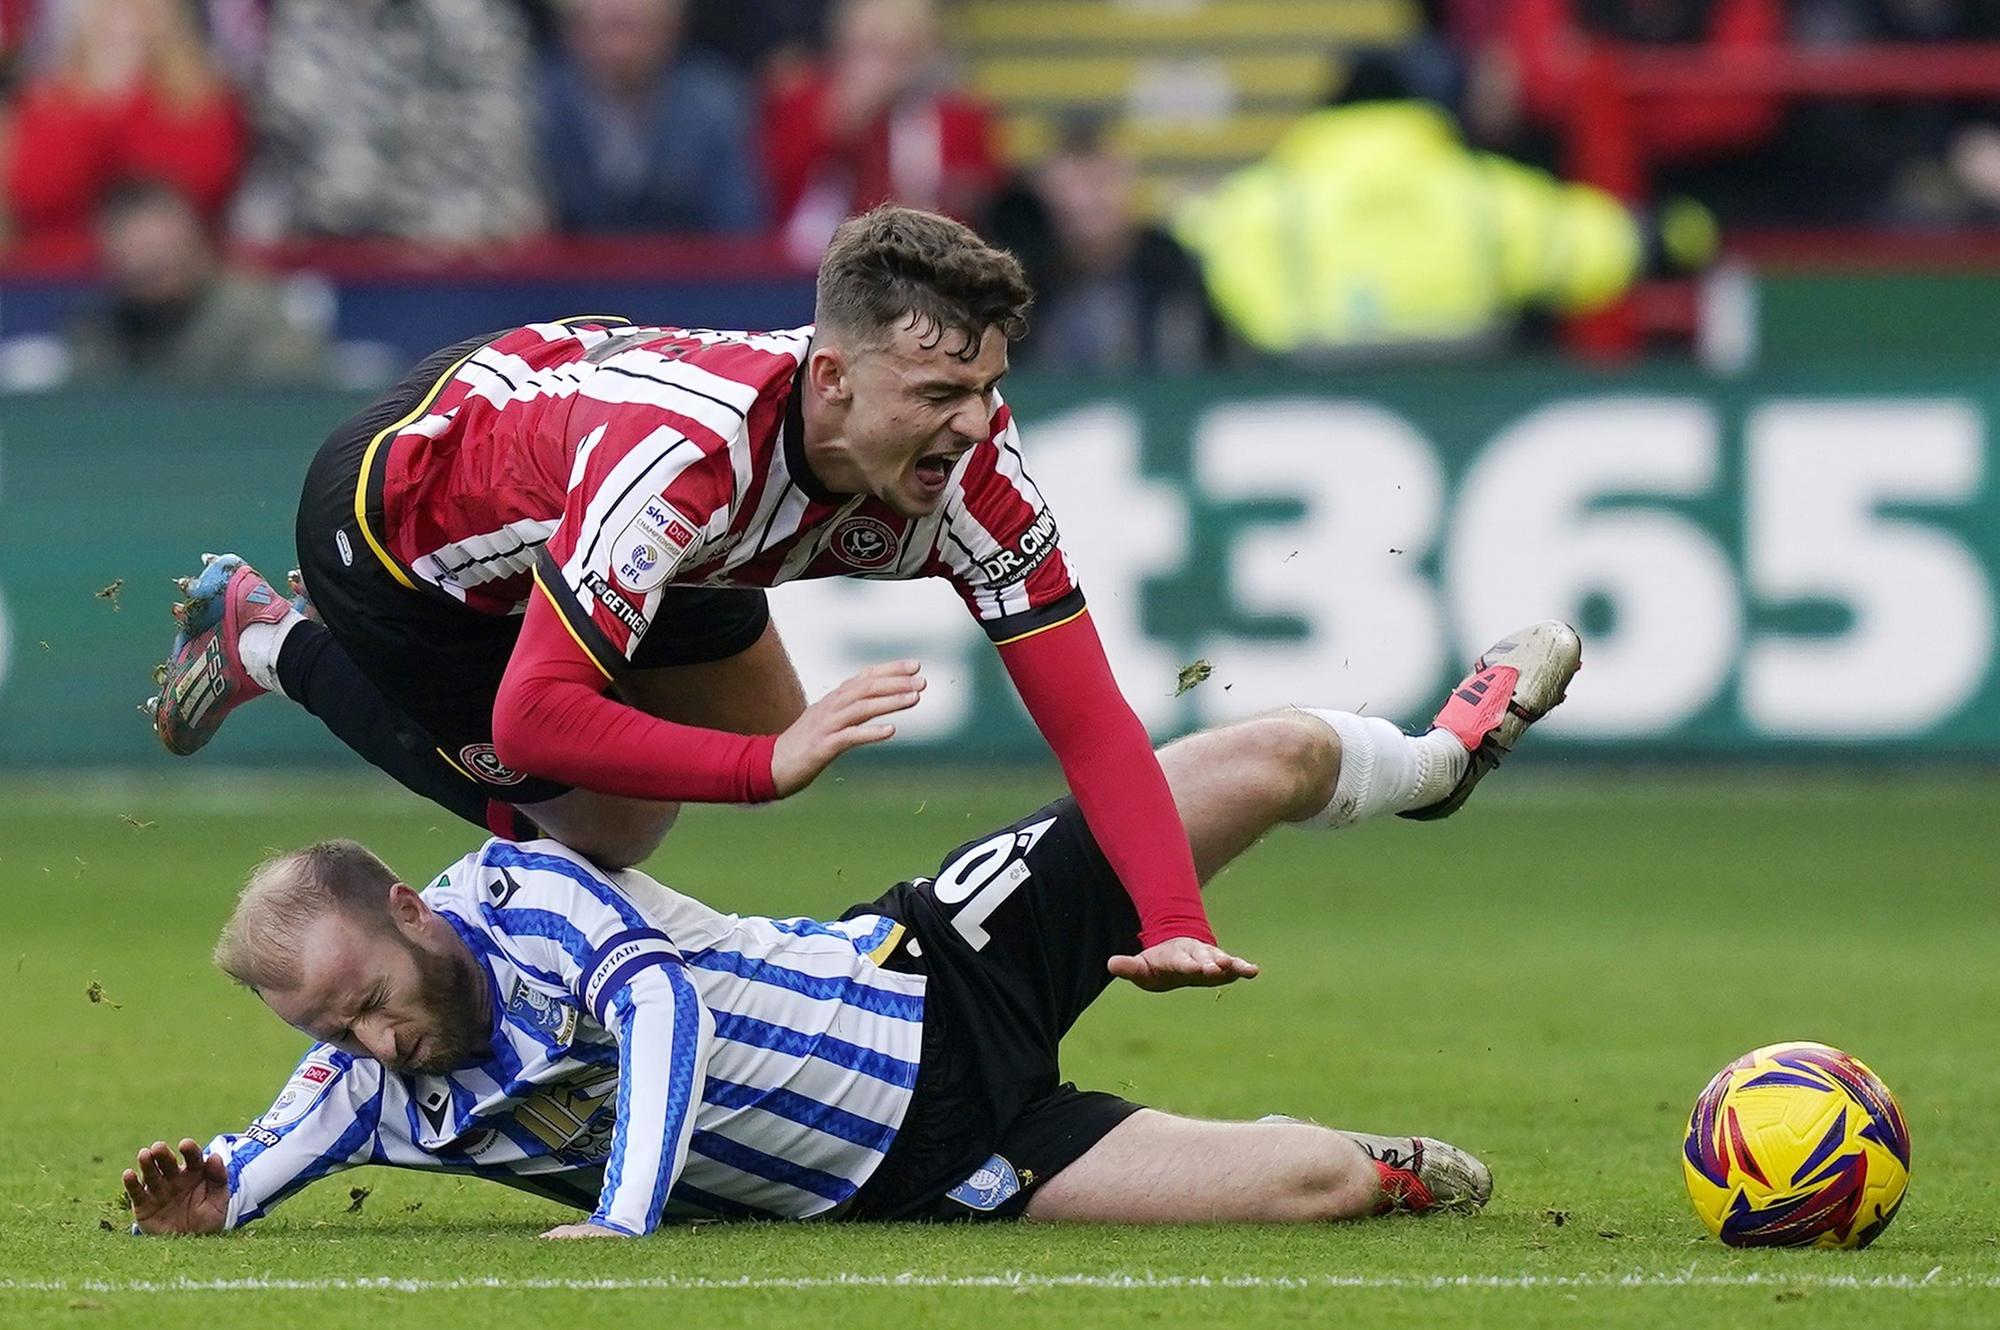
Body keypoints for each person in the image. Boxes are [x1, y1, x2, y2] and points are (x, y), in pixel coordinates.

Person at [148, 205, 1383, 992]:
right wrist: (768, 767)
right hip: (410, 538)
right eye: (936, 394)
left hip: (616, 494)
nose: (972, 426)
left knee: (728, 727)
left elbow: (1091, 718)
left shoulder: (974, 473)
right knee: (603, 833)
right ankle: (274, 637)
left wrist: (1168, 914)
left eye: (987, 386)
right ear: (835, 379)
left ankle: (291, 638)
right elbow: (533, 719)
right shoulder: (685, 463)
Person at [117, 621, 1580, 1237]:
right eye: (332, 1030)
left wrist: (623, 1221)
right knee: (1318, 1184)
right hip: (947, 1159)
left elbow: (666, 1018)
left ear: (412, 911)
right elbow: (263, 1154)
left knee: (1265, 761)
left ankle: (1441, 760)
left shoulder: (535, 900)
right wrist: (212, 1195)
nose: (372, 1039)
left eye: (365, 998)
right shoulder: (375, 1073)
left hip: (927, 967)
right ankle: (1385, 1163)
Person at [236, 0, 544, 243]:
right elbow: (276, 138)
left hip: (437, 247)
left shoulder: (469, 15)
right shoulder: (299, 14)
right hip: (312, 243)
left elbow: (496, 146)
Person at [760, 0, 1001, 261]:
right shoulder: (804, 102)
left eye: (899, 55)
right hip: (817, 266)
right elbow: (779, 192)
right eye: (870, 52)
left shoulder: (962, 114)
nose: (884, 71)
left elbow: (984, 200)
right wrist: (840, 126)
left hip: (933, 269)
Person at [1, 0, 246, 250]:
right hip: (51, 276)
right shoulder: (40, 103)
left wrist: (130, 98)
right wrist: (102, 102)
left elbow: (199, 194)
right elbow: (39, 195)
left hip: (172, 279)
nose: (126, 9)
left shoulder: (207, 99)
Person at [63, 177, 329, 383]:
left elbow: (290, 403)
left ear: (199, 245)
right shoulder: (99, 330)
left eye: (163, 248)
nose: (152, 266)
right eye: (137, 253)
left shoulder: (251, 314)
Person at [539, 0, 764, 235]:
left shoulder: (714, 103)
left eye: (631, 29)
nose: (621, 49)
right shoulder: (537, 103)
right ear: (572, 33)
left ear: (670, 31)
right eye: (610, 29)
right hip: (569, 270)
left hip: (687, 268)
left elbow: (740, 230)